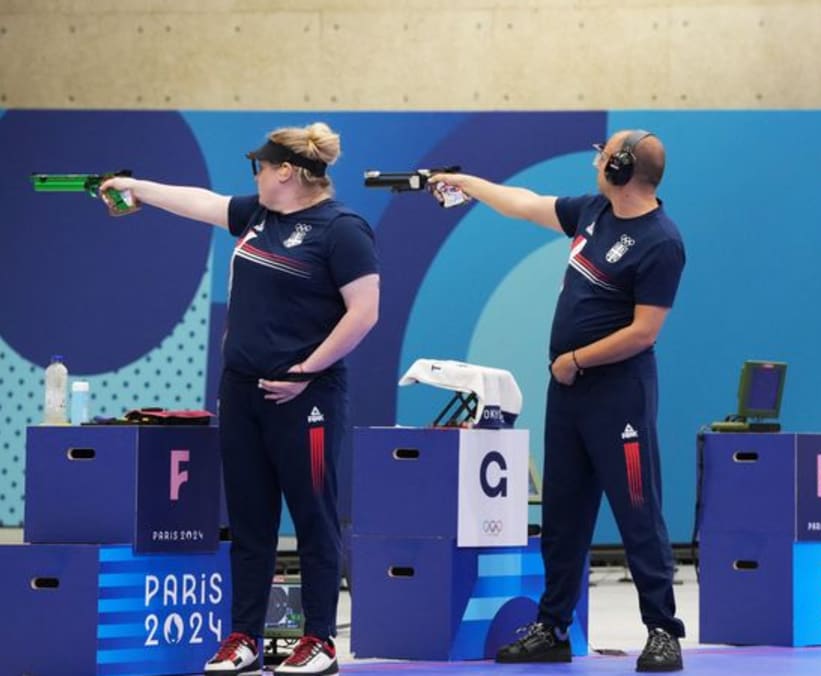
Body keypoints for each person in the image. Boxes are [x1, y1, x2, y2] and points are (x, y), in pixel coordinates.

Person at [102, 122, 380, 676]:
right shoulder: (257, 216)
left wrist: (307, 369)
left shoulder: (341, 229)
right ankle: (243, 637)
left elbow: (364, 312)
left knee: (313, 519)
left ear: (285, 172)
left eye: (260, 165)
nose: (252, 174)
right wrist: (136, 188)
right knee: (250, 523)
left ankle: (319, 639)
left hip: (309, 398)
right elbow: (202, 202)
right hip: (243, 392)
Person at [432, 129, 686, 672]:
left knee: (638, 511)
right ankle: (552, 627)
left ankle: (663, 630)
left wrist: (577, 360)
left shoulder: (662, 241)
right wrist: (467, 184)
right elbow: (525, 205)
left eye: (604, 154)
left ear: (620, 167)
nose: (596, 160)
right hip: (569, 392)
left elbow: (645, 332)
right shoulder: (593, 211)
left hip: (618, 394)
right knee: (564, 515)